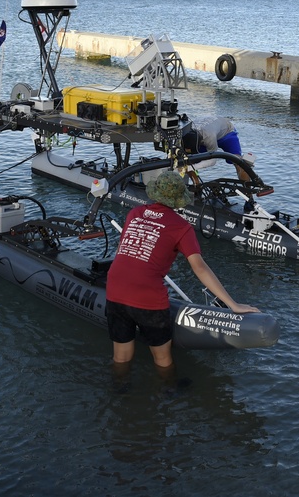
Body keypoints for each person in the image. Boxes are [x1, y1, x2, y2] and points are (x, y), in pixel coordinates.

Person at [105, 170, 259, 381]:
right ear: (178, 200)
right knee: (162, 357)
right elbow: (200, 268)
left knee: (121, 356)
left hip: (114, 288)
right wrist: (233, 305)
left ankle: (118, 391)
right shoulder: (181, 227)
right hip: (146, 296)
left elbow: (123, 251)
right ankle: (169, 392)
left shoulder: (135, 213)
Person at [181, 115, 251, 182]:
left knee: (238, 162)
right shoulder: (184, 133)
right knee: (188, 160)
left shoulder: (209, 137)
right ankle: (197, 185)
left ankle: (248, 192)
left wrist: (189, 168)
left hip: (226, 133)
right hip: (202, 133)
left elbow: (212, 161)